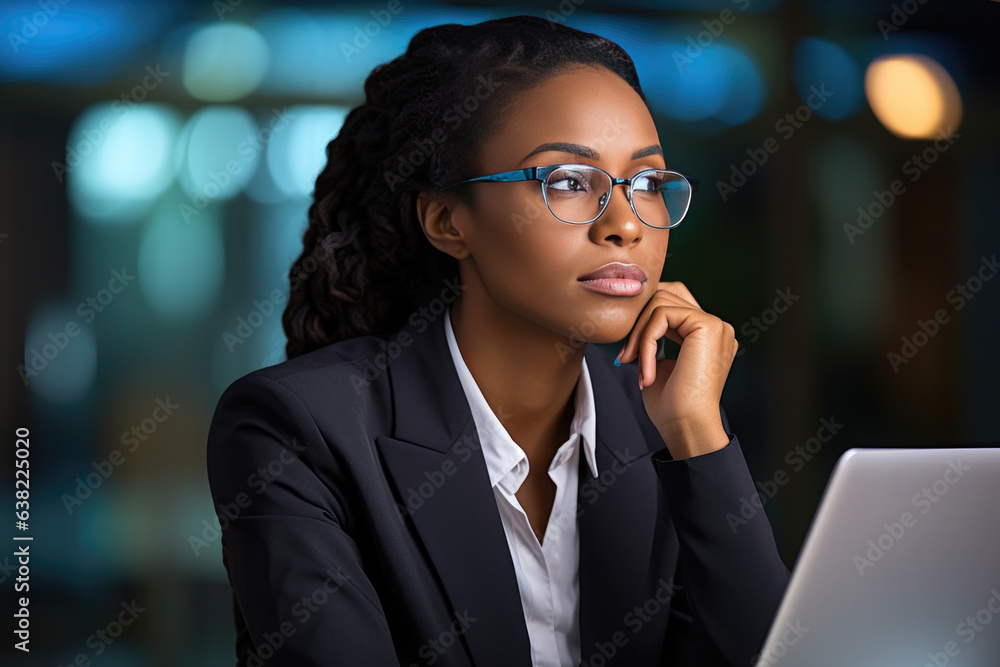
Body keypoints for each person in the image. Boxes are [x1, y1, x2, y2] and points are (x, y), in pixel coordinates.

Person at [206, 14, 789, 667]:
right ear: (448, 220)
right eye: (569, 180)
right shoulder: (297, 428)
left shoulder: (667, 422)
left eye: (648, 183)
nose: (626, 223)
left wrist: (698, 438)